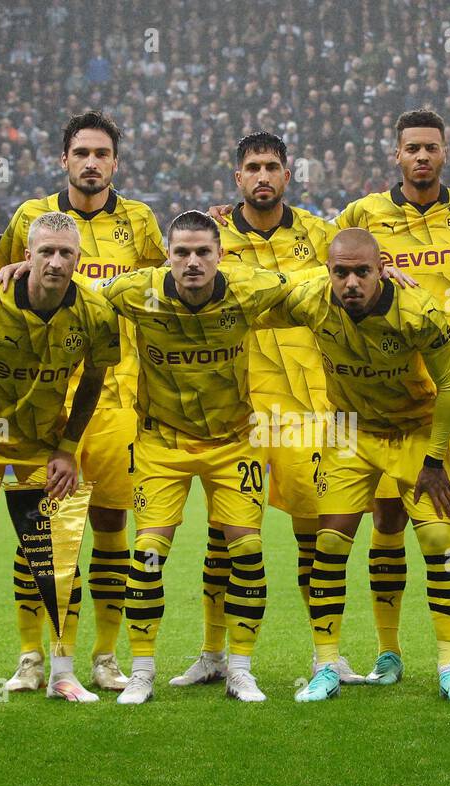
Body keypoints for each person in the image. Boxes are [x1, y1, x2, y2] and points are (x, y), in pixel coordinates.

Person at [91, 211, 325, 705]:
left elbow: (310, 288)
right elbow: (73, 294)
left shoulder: (248, 287)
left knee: (245, 550)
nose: (192, 262)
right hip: (162, 445)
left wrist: (372, 271)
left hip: (232, 442)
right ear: (168, 256)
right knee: (149, 554)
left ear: (221, 255)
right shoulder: (136, 291)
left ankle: (239, 668)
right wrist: (17, 273)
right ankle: (142, 672)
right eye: (182, 252)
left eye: (203, 252)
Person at [0, 111, 166, 694]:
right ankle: (31, 659)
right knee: (37, 529)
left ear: (115, 163)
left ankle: (104, 659)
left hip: (114, 398)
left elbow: (164, 290)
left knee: (112, 526)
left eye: (102, 154)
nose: (91, 162)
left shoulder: (140, 222)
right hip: (41, 400)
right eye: (81, 152)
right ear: (64, 159)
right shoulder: (30, 218)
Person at [268, 228, 450, 702]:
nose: (352, 283)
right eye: (341, 272)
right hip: (349, 429)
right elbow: (252, 301)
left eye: (363, 271)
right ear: (328, 272)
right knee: (329, 542)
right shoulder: (310, 300)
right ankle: (327, 665)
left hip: (414, 427)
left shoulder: (419, 311)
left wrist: (435, 460)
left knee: (440, 539)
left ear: (382, 269)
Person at [172, 131, 345, 689]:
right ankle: (213, 652)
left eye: (272, 166)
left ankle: (327, 653)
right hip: (236, 406)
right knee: (226, 533)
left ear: (287, 175)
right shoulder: (211, 237)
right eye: (253, 167)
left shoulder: (321, 236)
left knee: (312, 533)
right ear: (237, 177)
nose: (263, 175)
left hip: (306, 406)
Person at [0, 211, 119, 704]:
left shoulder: (95, 313)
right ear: (28, 256)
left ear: (79, 260)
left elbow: (93, 380)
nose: (56, 261)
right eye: (47, 251)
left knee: (56, 557)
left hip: (44, 442)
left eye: (66, 253)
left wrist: (67, 448)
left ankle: (61, 672)